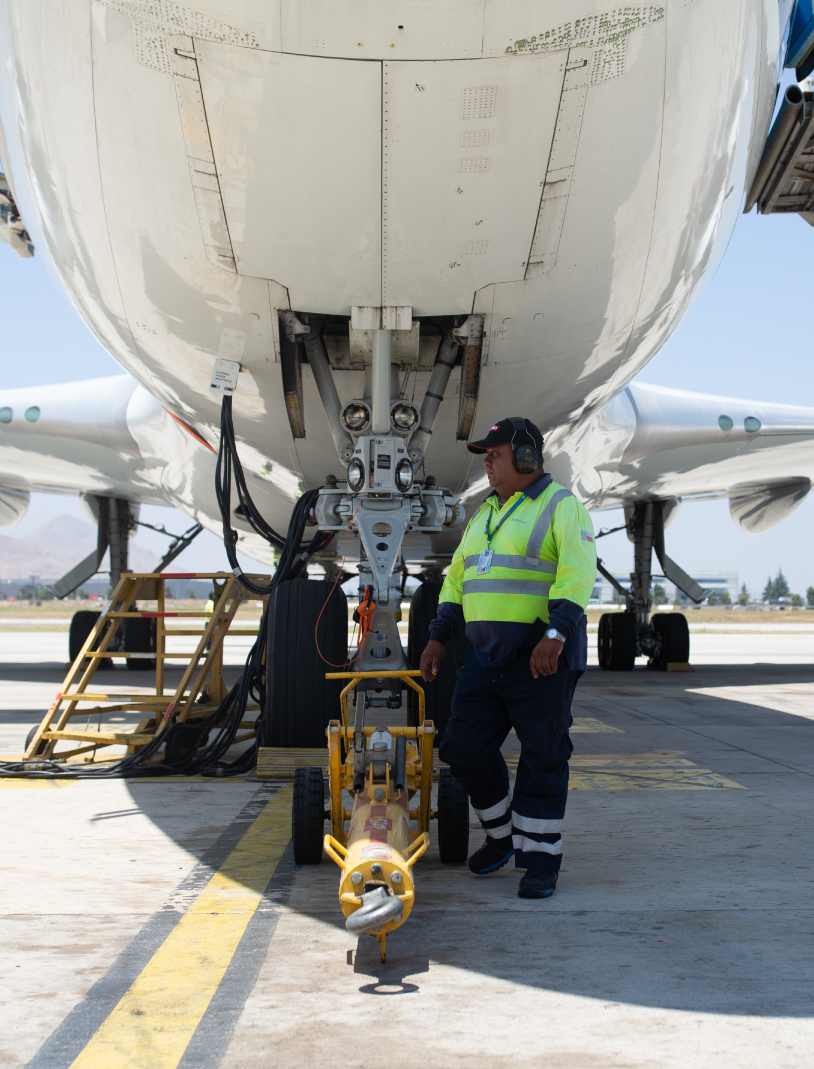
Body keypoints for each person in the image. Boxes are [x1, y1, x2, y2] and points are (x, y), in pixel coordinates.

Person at [420, 417, 596, 899]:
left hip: (540, 656)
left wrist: (557, 633)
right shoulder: (484, 514)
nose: (487, 463)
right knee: (462, 748)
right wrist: (439, 634)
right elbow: (458, 578)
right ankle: (502, 836)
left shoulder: (562, 507)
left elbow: (578, 575)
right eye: (487, 455)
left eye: (495, 454)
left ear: (525, 457)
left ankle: (540, 860)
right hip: (484, 657)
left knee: (543, 755)